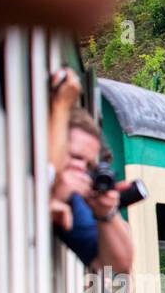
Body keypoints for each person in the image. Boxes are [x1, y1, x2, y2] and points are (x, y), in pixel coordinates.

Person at [51, 107, 133, 274]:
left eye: (88, 166)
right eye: (75, 157)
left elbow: (118, 268)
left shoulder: (73, 201)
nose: (81, 169)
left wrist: (106, 212)